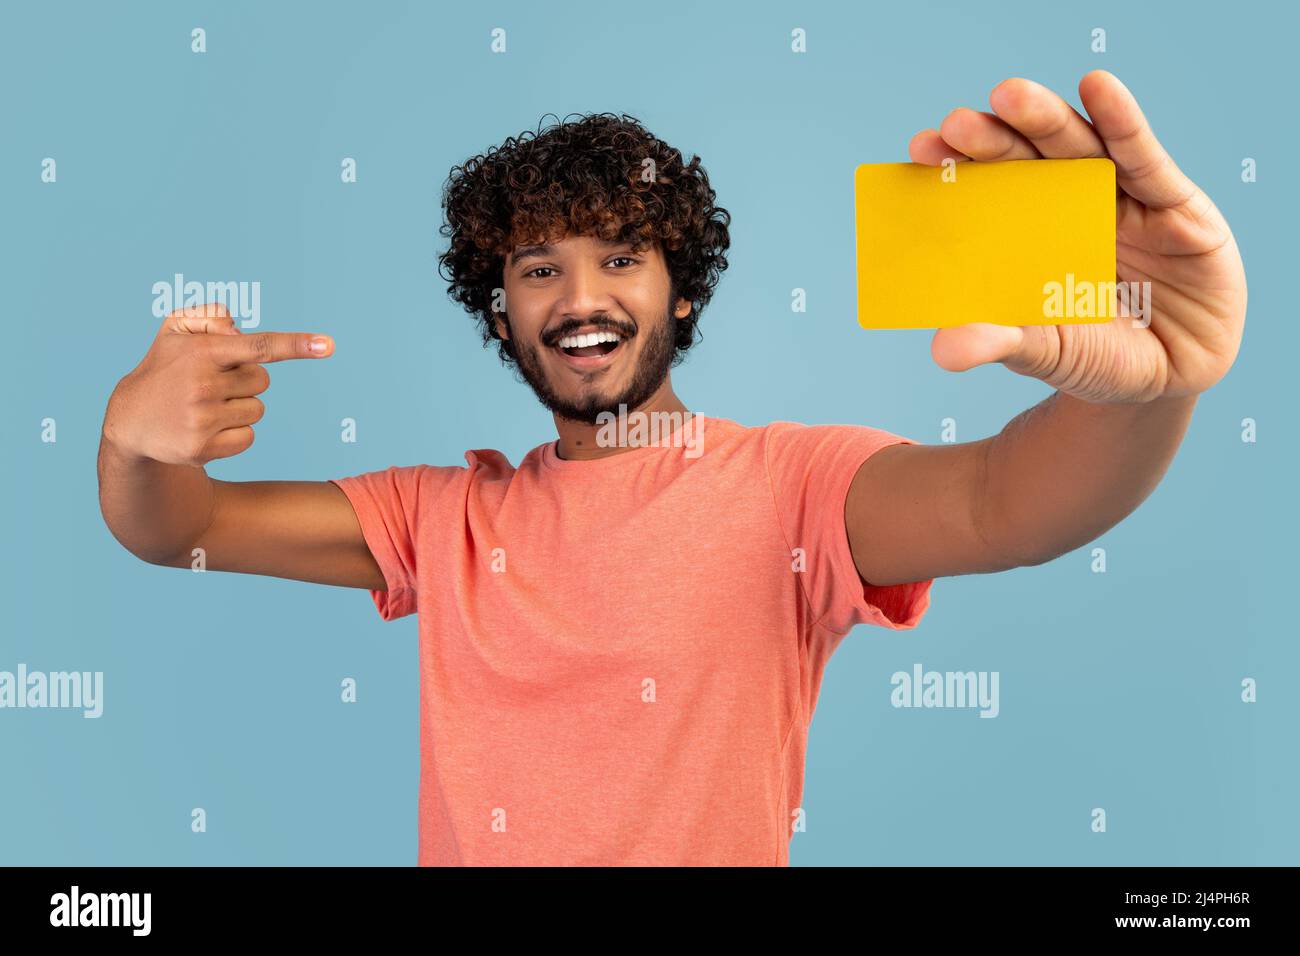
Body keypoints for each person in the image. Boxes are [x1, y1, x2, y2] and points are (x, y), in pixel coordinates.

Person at [97, 70, 1247, 866]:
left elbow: (1010, 502)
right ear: (498, 317)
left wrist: (1156, 382)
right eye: (537, 268)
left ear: (679, 290)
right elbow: (174, 527)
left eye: (621, 256)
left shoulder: (790, 487)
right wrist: (131, 434)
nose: (580, 296)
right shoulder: (434, 518)